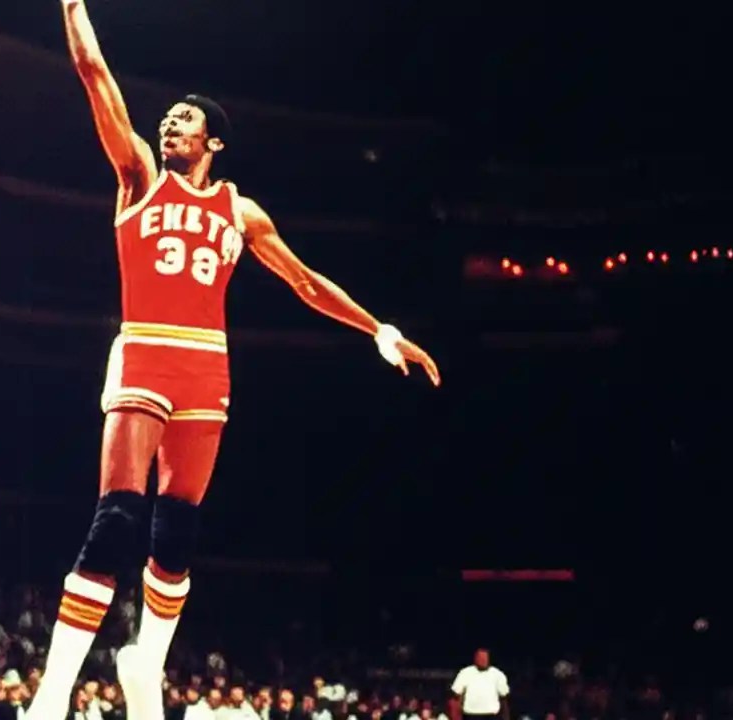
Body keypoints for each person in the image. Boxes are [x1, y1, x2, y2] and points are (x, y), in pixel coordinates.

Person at [27, 3, 443, 720]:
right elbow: (93, 73)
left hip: (206, 370)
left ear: (213, 140)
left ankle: (143, 666)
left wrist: (379, 330)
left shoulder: (241, 211)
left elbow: (306, 283)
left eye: (184, 120)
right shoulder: (136, 179)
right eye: (168, 118)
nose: (169, 125)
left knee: (178, 536)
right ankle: (51, 696)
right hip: (145, 352)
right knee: (117, 519)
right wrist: (72, 5)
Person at [449, 650, 509, 720]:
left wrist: (506, 717)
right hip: (471, 715)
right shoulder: (465, 673)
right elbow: (456, 696)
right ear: (475, 659)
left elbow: (504, 698)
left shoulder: (498, 674)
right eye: (481, 658)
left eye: (485, 658)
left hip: (492, 715)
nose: (483, 660)